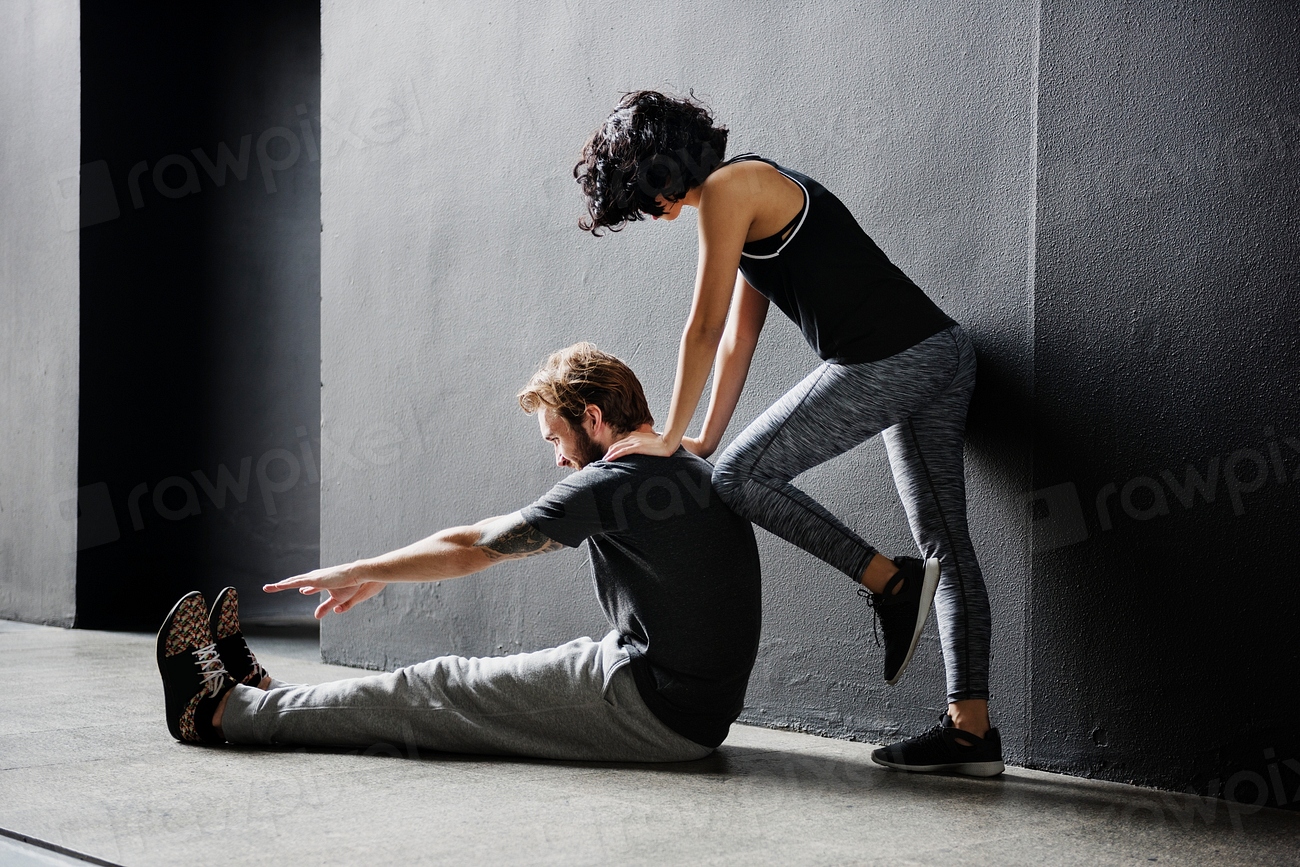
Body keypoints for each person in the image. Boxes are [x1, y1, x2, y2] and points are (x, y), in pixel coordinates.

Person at [572, 91, 1003, 776]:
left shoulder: (726, 190)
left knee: (742, 477)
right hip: (938, 352)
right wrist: (704, 434)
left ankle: (891, 584)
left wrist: (668, 435)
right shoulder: (749, 190)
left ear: (658, 167)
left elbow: (703, 329)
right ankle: (971, 730)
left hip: (892, 358)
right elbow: (741, 334)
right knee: (945, 540)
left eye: (644, 198)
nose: (655, 213)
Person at [155, 343, 762, 763]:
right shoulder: (680, 459)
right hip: (680, 693)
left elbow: (472, 546)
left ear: (594, 417)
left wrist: (364, 570)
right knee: (447, 686)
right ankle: (266, 697)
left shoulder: (614, 481)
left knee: (435, 690)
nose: (557, 458)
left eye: (556, 438)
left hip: (658, 708)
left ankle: (217, 711)